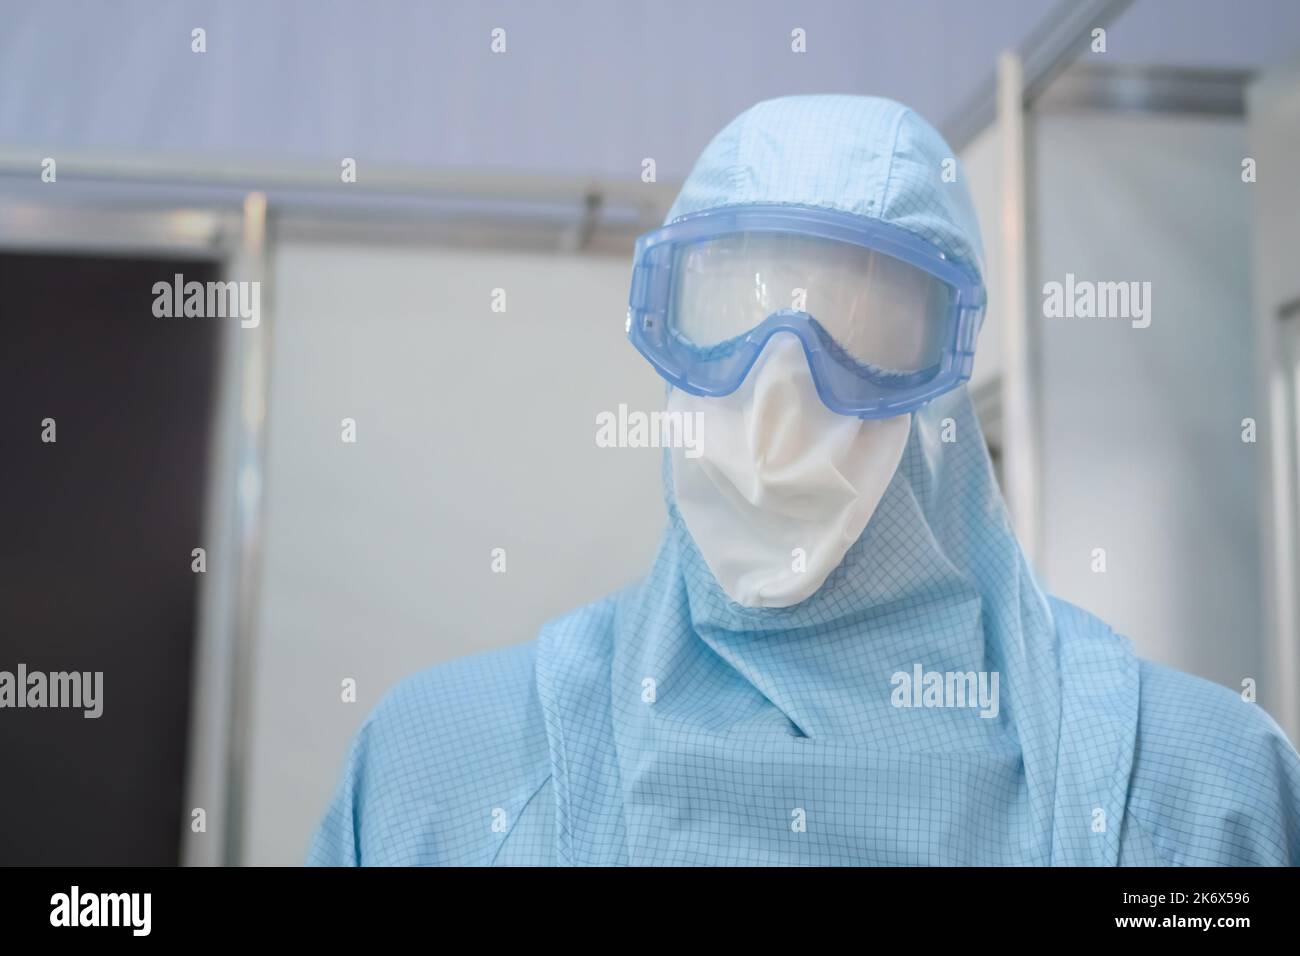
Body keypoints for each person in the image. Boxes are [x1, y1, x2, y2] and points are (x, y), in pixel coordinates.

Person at [307, 95, 1300, 866]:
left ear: (946, 379)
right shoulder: (432, 776)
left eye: (861, 331)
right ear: (663, 323)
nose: (778, 403)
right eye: (729, 310)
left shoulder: (1199, 789)